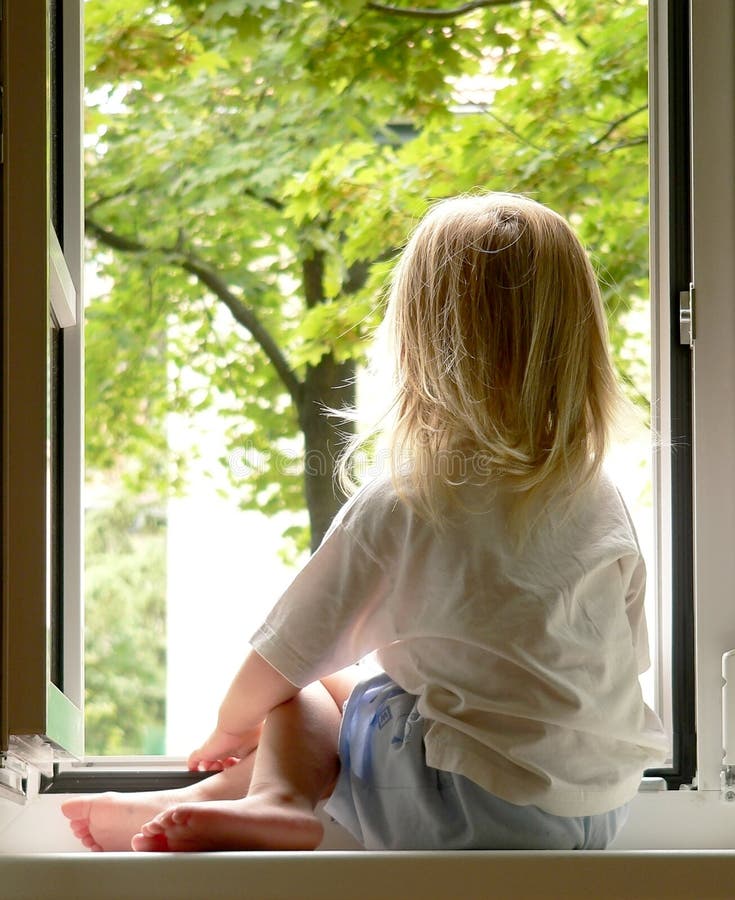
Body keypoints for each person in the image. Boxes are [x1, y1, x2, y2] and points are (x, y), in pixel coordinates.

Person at [62, 192, 668, 853]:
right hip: (595, 813)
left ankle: (276, 798)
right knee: (367, 690)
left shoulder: (409, 499)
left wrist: (231, 728)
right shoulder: (598, 496)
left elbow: (281, 654)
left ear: (419, 339)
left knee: (314, 683)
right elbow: (623, 655)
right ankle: (193, 803)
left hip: (460, 806)